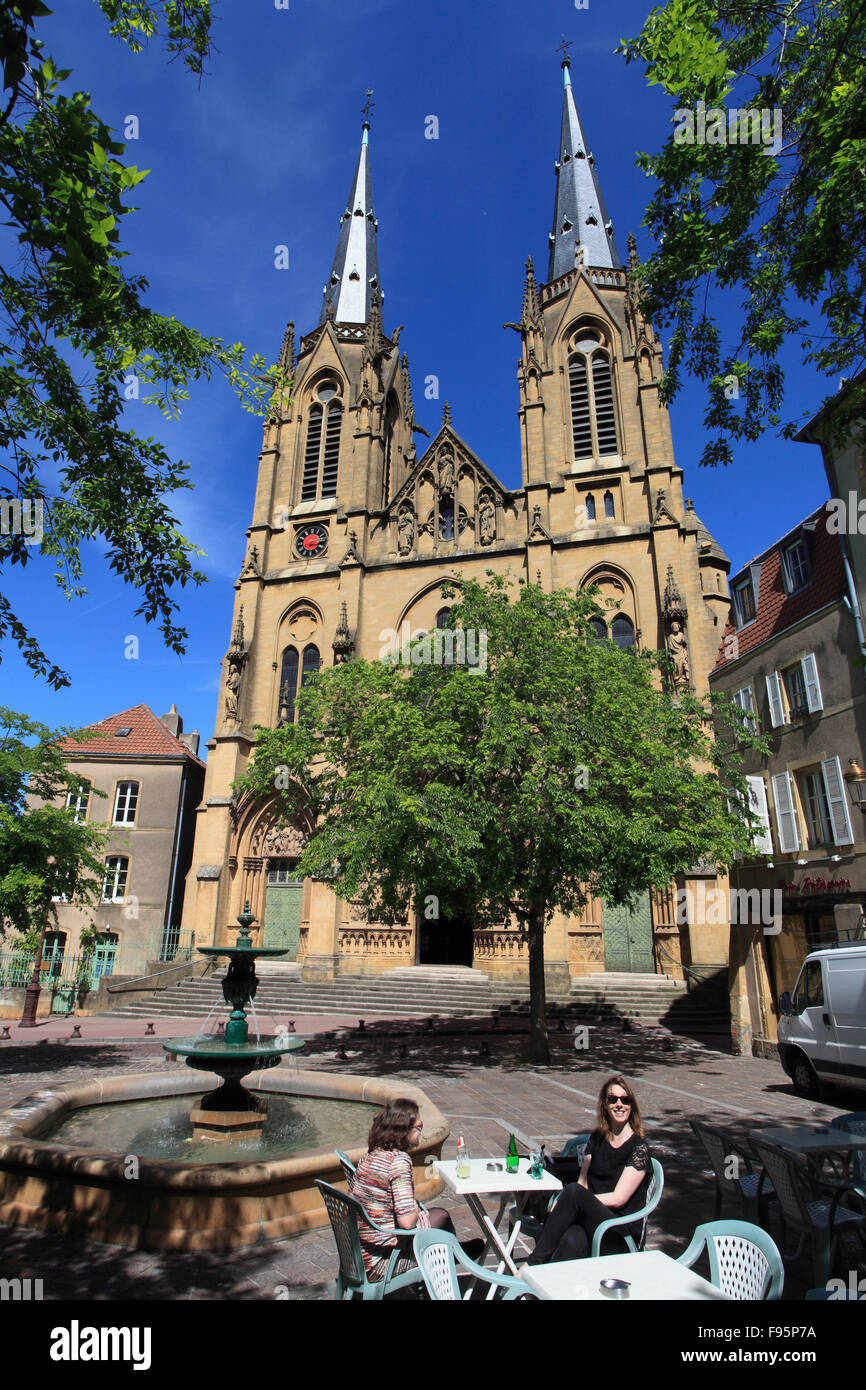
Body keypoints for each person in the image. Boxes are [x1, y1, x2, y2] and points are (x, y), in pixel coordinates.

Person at [350, 1098, 483, 1281]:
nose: (421, 1132)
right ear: (404, 1130)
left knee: (436, 1217)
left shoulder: (372, 1154)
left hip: (358, 1255)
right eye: (418, 1128)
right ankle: (451, 1261)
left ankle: (453, 1253)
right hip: (382, 1263)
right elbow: (407, 1223)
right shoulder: (398, 1162)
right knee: (441, 1217)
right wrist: (412, 1204)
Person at [526, 1075, 651, 1264]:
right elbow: (582, 1182)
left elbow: (618, 1199)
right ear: (604, 1105)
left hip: (619, 1231)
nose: (619, 1104)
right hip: (593, 1221)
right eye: (613, 1099)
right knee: (570, 1241)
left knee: (572, 1193)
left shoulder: (638, 1148)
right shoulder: (596, 1139)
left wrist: (577, 1201)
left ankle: (532, 1264)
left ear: (631, 1105)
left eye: (625, 1100)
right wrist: (576, 1201)